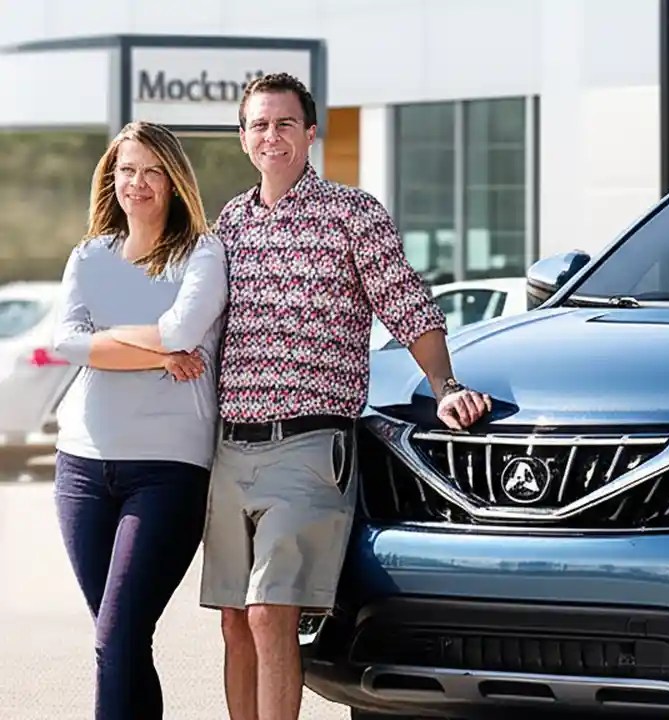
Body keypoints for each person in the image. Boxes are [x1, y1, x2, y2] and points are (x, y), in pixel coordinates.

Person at [201, 72, 491, 720]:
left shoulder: (351, 213)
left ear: (310, 133)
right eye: (258, 125)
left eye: (283, 124)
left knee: (269, 612)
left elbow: (406, 302)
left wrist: (445, 386)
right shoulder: (231, 223)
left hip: (309, 447)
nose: (270, 136)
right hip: (230, 450)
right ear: (242, 137)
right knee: (233, 624)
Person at [51, 120, 228, 720]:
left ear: (175, 181)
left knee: (117, 636)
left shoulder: (202, 252)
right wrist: (158, 352)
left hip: (167, 471)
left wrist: (109, 341)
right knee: (119, 640)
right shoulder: (90, 255)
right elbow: (65, 343)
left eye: (153, 170)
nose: (139, 182)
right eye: (128, 169)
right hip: (81, 466)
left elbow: (182, 329)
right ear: (112, 176)